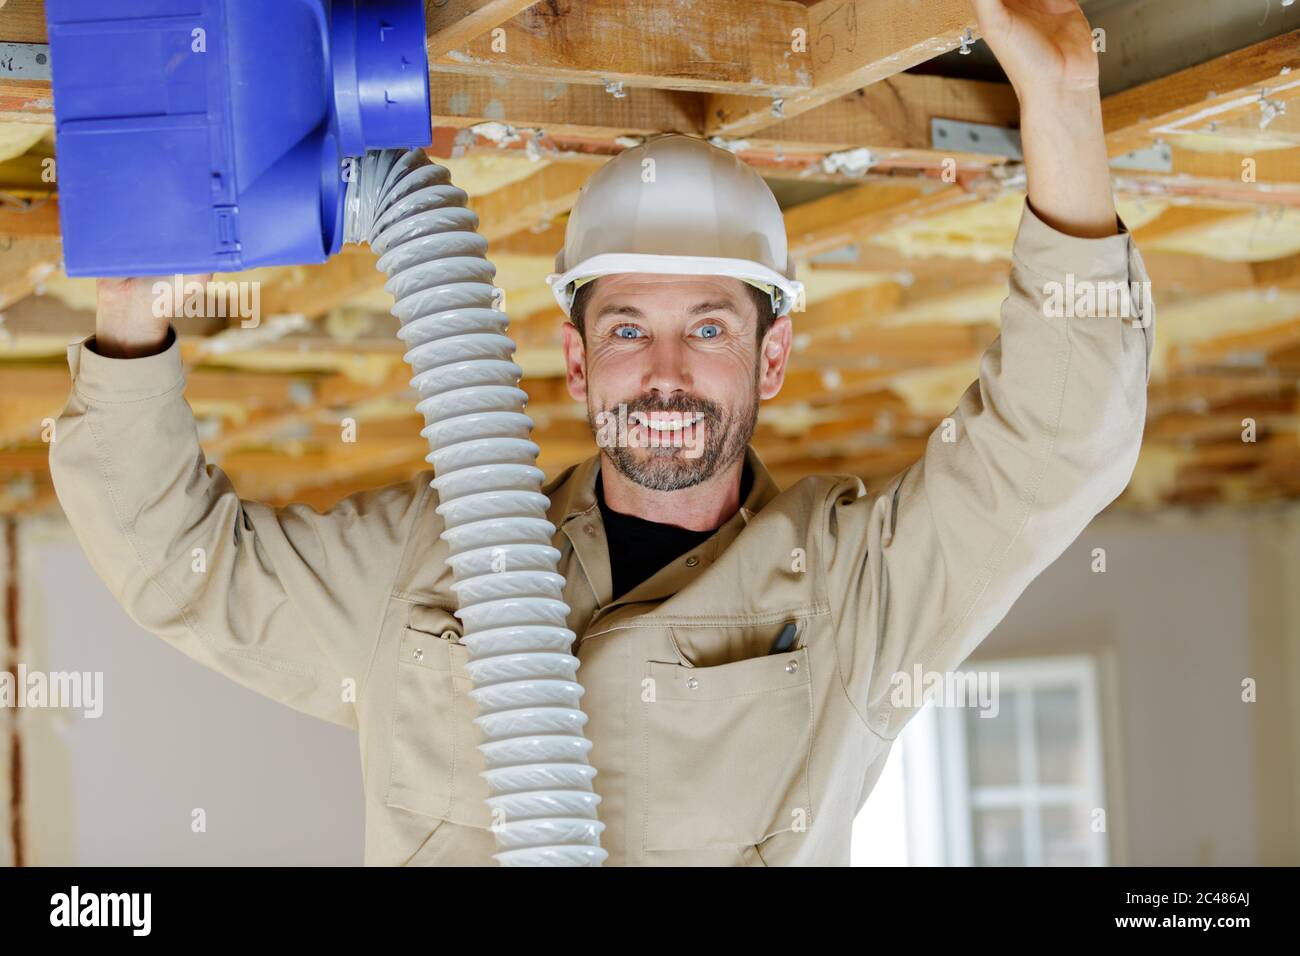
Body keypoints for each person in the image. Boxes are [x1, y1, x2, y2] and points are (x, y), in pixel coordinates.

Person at [50, 0, 1153, 865]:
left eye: (708, 325)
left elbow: (1054, 445)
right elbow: (177, 563)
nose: (665, 372)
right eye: (628, 325)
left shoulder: (852, 596)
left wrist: (1060, 99)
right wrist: (132, 305)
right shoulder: (429, 565)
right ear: (577, 358)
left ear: (769, 357)